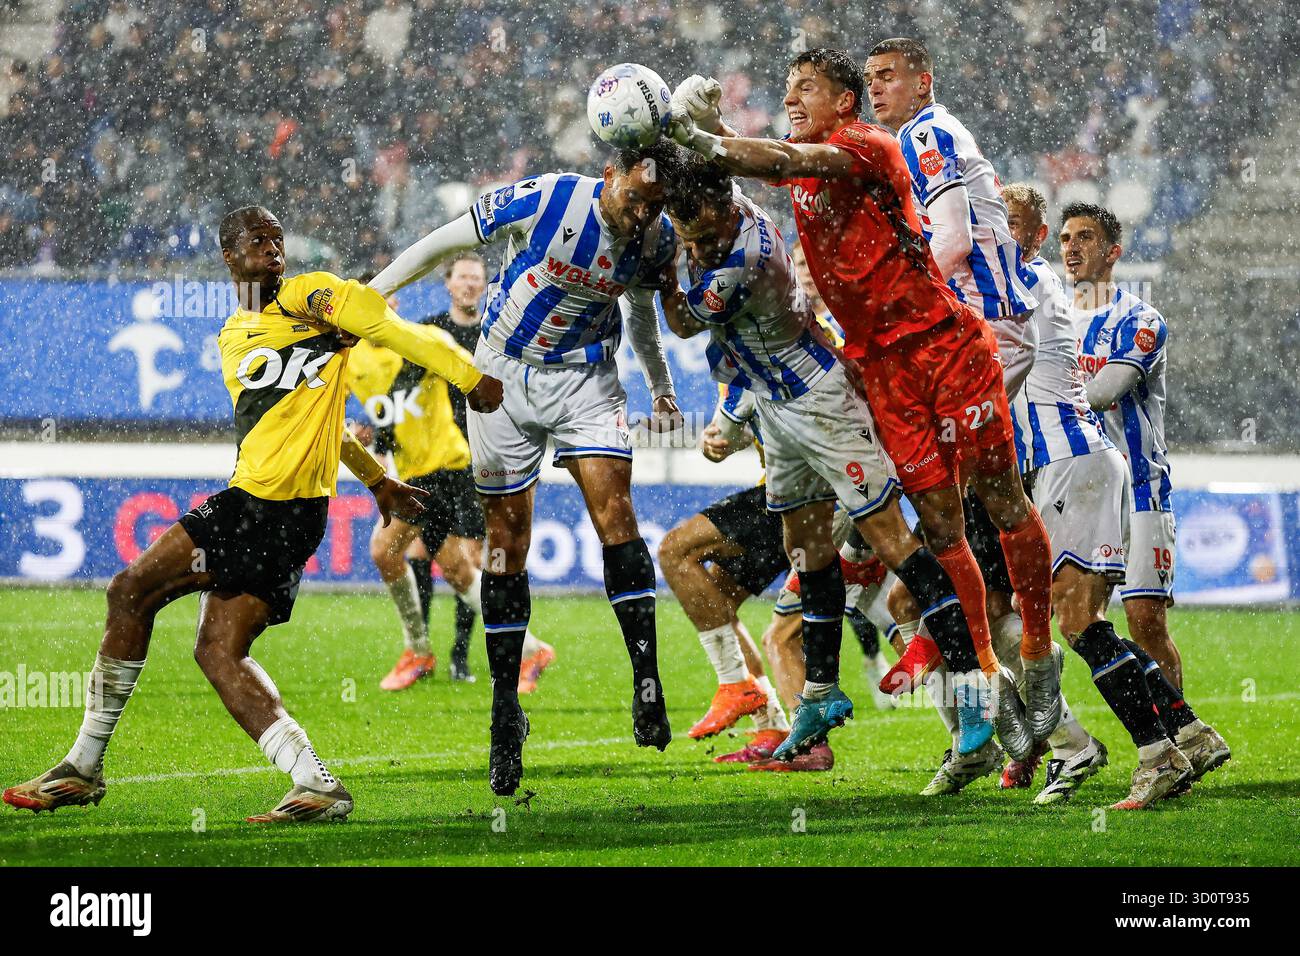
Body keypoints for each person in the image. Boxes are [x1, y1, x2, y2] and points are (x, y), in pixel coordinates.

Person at [3, 206, 502, 822]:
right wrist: (378, 483)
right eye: (256, 240)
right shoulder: (235, 336)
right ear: (227, 256)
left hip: (262, 507)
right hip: (277, 510)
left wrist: (468, 375)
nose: (272, 248)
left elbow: (396, 328)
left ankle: (82, 765)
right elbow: (305, 418)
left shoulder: (309, 295)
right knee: (218, 649)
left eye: (277, 239)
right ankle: (316, 784)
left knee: (130, 591)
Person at [669, 50, 1054, 741]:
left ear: (844, 102)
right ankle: (831, 690)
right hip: (874, 365)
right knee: (836, 540)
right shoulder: (799, 159)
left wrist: (701, 135)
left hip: (939, 342)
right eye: (786, 88)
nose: (790, 98)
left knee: (966, 512)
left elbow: (782, 164)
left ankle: (1021, 660)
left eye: (806, 88)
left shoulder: (864, 145)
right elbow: (759, 172)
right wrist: (705, 131)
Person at [369, 143, 684, 796]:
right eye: (634, 198)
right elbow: (441, 241)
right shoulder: (546, 198)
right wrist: (370, 297)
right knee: (506, 546)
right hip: (501, 374)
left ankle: (646, 679)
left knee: (616, 514)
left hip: (585, 379)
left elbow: (643, 311)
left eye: (653, 204)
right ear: (610, 176)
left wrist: (659, 382)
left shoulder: (656, 236)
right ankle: (504, 712)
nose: (640, 214)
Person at [659, 150, 993, 762]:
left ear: (718, 205)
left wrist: (658, 273)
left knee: (894, 543)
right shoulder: (731, 215)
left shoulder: (743, 257)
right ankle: (820, 692)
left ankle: (975, 696)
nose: (692, 239)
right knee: (806, 549)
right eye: (683, 227)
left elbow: (681, 322)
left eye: (696, 225)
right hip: (775, 408)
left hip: (822, 403)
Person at [1064, 200, 1230, 806]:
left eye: (1086, 237)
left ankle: (1174, 749)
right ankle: (1179, 739)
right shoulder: (1055, 318)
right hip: (1081, 491)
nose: (1072, 247)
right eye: (1065, 238)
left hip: (1140, 490)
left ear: (1113, 251)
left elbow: (1104, 390)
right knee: (1079, 618)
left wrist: (1046, 389)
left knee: (1143, 622)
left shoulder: (1140, 320)